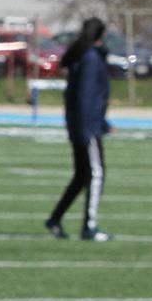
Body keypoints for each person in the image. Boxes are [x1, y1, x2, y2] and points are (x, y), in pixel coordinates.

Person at [46, 16, 113, 242]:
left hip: (84, 124)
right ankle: (89, 225)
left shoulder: (84, 56)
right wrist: (89, 128)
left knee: (82, 175)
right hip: (87, 127)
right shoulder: (91, 58)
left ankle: (55, 218)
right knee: (96, 174)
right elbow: (85, 96)